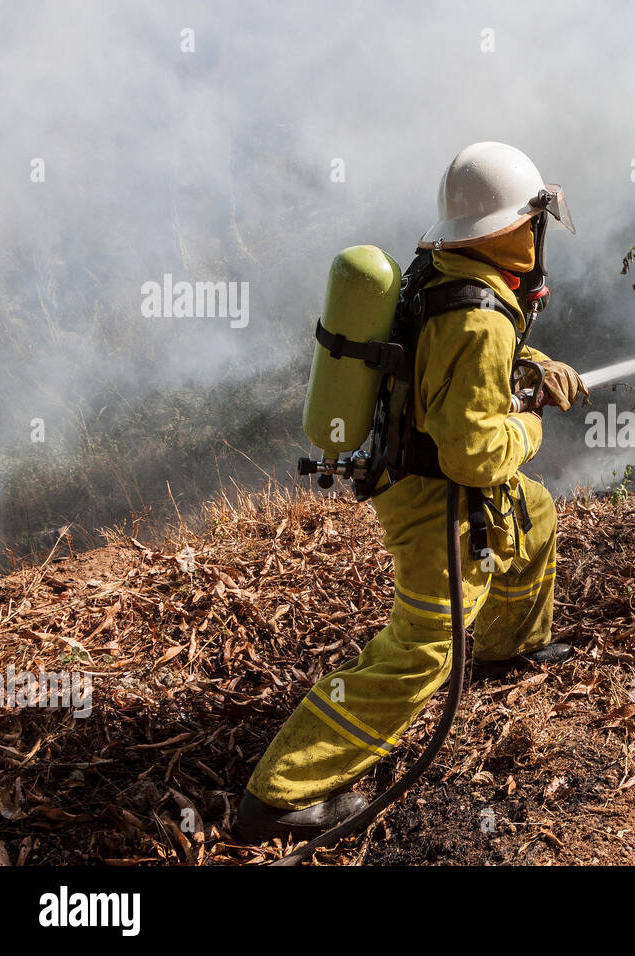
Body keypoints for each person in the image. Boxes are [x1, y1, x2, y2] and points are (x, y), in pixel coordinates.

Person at [236, 142, 587, 843]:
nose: (537, 234)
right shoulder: (481, 315)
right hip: (436, 499)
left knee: (536, 511)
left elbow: (457, 361)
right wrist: (529, 423)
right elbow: (474, 453)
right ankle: (281, 796)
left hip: (413, 470)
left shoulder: (450, 270)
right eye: (533, 220)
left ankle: (508, 644)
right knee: (424, 648)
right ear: (513, 228)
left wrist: (537, 365)